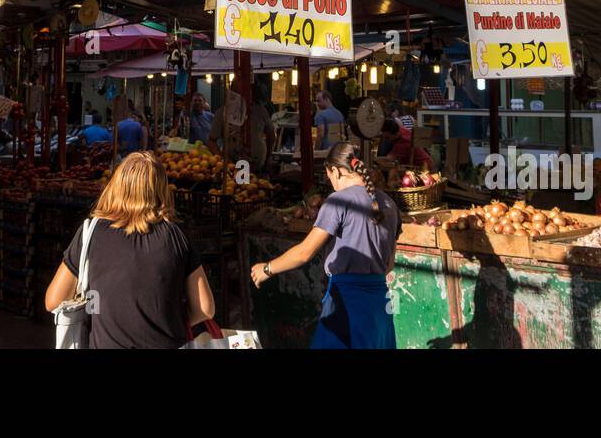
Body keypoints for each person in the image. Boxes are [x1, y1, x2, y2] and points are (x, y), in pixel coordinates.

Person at [44, 151, 215, 348]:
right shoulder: (176, 236)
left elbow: (53, 301)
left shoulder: (91, 233)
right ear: (161, 189)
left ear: (116, 185)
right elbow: (205, 308)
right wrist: (173, 319)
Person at [250, 142, 401, 349]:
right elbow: (389, 264)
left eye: (329, 176)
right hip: (378, 305)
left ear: (336, 171)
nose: (330, 182)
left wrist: (267, 268)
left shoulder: (338, 201)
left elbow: (305, 252)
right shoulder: (389, 205)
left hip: (346, 303)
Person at [208, 94, 275, 170]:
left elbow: (271, 135)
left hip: (257, 167)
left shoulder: (261, 111)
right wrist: (223, 159)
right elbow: (211, 141)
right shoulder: (222, 112)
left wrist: (268, 159)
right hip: (231, 167)